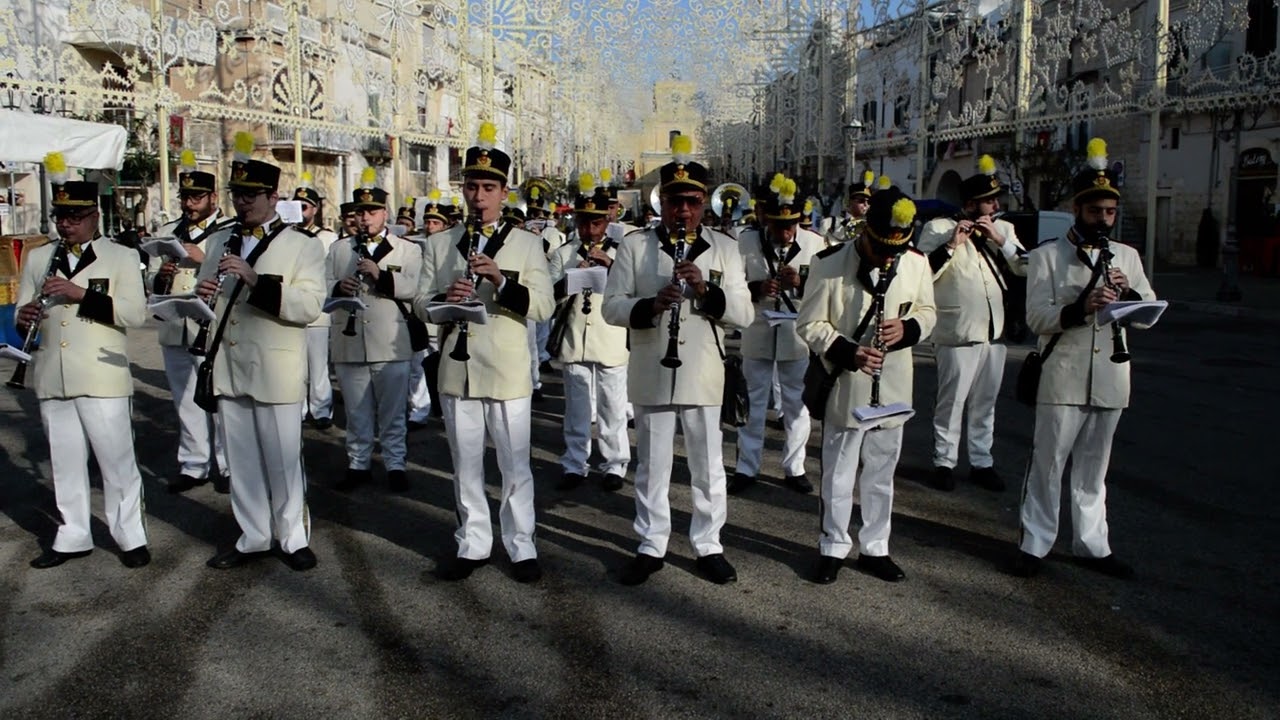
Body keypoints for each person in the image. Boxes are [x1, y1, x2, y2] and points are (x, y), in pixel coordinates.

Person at [602, 134, 753, 586]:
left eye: (691, 202)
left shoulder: (725, 247)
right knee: (652, 465)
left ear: (703, 203)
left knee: (707, 465)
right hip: (652, 366)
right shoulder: (635, 246)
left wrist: (706, 290)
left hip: (703, 370)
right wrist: (650, 305)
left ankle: (708, 544)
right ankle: (652, 543)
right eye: (674, 201)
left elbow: (744, 314)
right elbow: (612, 307)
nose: (682, 211)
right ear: (661, 202)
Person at [414, 122, 554, 584]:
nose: (479, 197)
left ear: (503, 192)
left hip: (507, 370)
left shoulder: (527, 243)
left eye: (488, 188)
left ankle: (521, 544)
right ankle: (473, 542)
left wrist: (501, 281)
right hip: (458, 368)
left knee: (515, 465)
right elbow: (419, 302)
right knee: (465, 464)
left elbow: (544, 306)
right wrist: (444, 300)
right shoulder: (440, 243)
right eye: (472, 187)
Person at [1009, 138, 1156, 580]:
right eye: (1095, 212)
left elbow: (1146, 315)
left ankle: (1093, 545)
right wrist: (1081, 307)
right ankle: (1034, 544)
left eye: (1110, 212)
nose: (1103, 219)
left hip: (1110, 376)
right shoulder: (1047, 256)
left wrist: (1127, 294)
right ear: (1077, 209)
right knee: (1048, 464)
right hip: (1062, 376)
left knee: (1094, 469)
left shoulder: (1127, 256)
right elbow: (1036, 317)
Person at [195, 133, 325, 572]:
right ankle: (252, 535)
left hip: (275, 367)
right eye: (237, 193)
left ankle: (292, 537)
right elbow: (212, 299)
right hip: (230, 364)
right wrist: (202, 294)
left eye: (252, 194)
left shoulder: (302, 245)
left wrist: (254, 280)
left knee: (284, 461)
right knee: (242, 461)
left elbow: (309, 306)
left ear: (273, 197)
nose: (243, 202)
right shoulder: (220, 240)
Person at [796, 185, 936, 585]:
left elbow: (928, 312)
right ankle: (833, 545)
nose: (888, 259)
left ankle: (876, 547)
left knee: (881, 473)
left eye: (896, 250)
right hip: (847, 385)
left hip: (893, 387)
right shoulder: (828, 263)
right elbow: (809, 323)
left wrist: (909, 328)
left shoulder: (916, 263)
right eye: (880, 249)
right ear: (865, 233)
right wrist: (846, 351)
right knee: (839, 473)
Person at [16, 153, 150, 569]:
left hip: (101, 374)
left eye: (74, 217)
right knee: (65, 462)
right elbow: (23, 307)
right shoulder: (39, 257)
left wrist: (80, 295)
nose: (66, 224)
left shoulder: (119, 256)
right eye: (60, 217)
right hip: (53, 374)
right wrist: (23, 317)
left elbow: (134, 313)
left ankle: (130, 535)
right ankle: (73, 533)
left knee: (116, 462)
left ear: (94, 216)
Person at [915, 155, 1027, 492]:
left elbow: (1026, 266)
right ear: (970, 204)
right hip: (956, 332)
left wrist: (1000, 241)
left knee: (985, 403)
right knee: (951, 403)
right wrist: (952, 245)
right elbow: (920, 274)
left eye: (996, 200)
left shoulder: (1004, 231)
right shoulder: (938, 229)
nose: (996, 206)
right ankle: (944, 462)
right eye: (989, 201)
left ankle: (982, 461)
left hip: (994, 332)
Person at [328, 168, 421, 493]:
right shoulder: (340, 249)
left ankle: (396, 464)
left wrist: (380, 275)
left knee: (393, 412)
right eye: (361, 212)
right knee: (356, 412)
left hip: (390, 341)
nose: (365, 218)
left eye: (372, 211)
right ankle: (358, 464)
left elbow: (414, 288)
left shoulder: (407, 249)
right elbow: (322, 286)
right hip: (350, 339)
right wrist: (338, 286)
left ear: (385, 213)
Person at [730, 173, 824, 495]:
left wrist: (801, 284)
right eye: (778, 226)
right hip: (757, 330)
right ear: (766, 219)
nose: (785, 233)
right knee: (753, 402)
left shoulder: (815, 244)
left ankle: (795, 468)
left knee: (797, 405)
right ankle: (747, 467)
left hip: (796, 335)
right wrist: (757, 288)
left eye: (790, 226)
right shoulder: (745, 242)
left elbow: (826, 292)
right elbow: (732, 286)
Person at [151, 149, 234, 494]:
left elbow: (233, 277)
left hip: (209, 324)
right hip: (175, 324)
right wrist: (162, 274)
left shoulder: (228, 231)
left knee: (218, 398)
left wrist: (202, 261)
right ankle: (193, 464)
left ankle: (227, 465)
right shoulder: (169, 231)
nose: (189, 204)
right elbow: (151, 280)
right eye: (185, 197)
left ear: (213, 197)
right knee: (184, 399)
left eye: (196, 197)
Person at [548, 174, 631, 492]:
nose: (590, 230)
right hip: (574, 338)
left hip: (610, 338)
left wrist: (611, 266)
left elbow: (633, 291)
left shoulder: (622, 252)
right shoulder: (564, 253)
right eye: (584, 223)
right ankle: (574, 463)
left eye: (596, 223)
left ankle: (615, 464)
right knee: (577, 407)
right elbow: (548, 296)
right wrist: (571, 279)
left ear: (606, 223)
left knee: (613, 405)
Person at [294, 172, 339, 431]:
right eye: (297, 206)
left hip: (319, 308)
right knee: (295, 364)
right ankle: (298, 407)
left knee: (319, 363)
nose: (301, 212)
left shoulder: (327, 238)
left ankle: (321, 408)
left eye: (305, 206)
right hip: (292, 307)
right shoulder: (285, 236)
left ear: (315, 209)